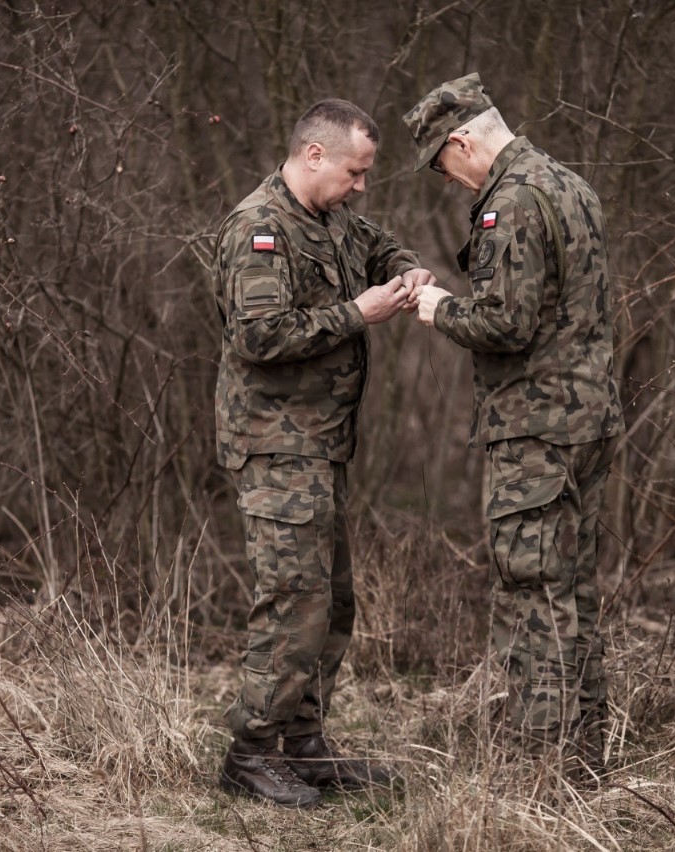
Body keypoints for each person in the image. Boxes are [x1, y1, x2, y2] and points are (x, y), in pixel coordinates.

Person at [402, 74, 624, 784]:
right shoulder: (570, 185)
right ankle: (585, 755)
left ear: (463, 140)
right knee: (574, 586)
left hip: (537, 427)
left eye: (444, 164)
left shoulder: (512, 201)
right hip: (587, 419)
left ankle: (540, 768)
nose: (451, 180)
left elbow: (507, 321)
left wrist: (440, 309)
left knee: (532, 590)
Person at [213, 98, 433, 807]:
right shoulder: (259, 229)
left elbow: (379, 243)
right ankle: (249, 753)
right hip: (276, 446)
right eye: (355, 171)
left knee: (332, 601)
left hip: (322, 442)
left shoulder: (331, 217)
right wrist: (358, 313)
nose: (361, 185)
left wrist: (409, 271)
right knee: (293, 602)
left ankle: (303, 745)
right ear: (314, 155)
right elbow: (258, 337)